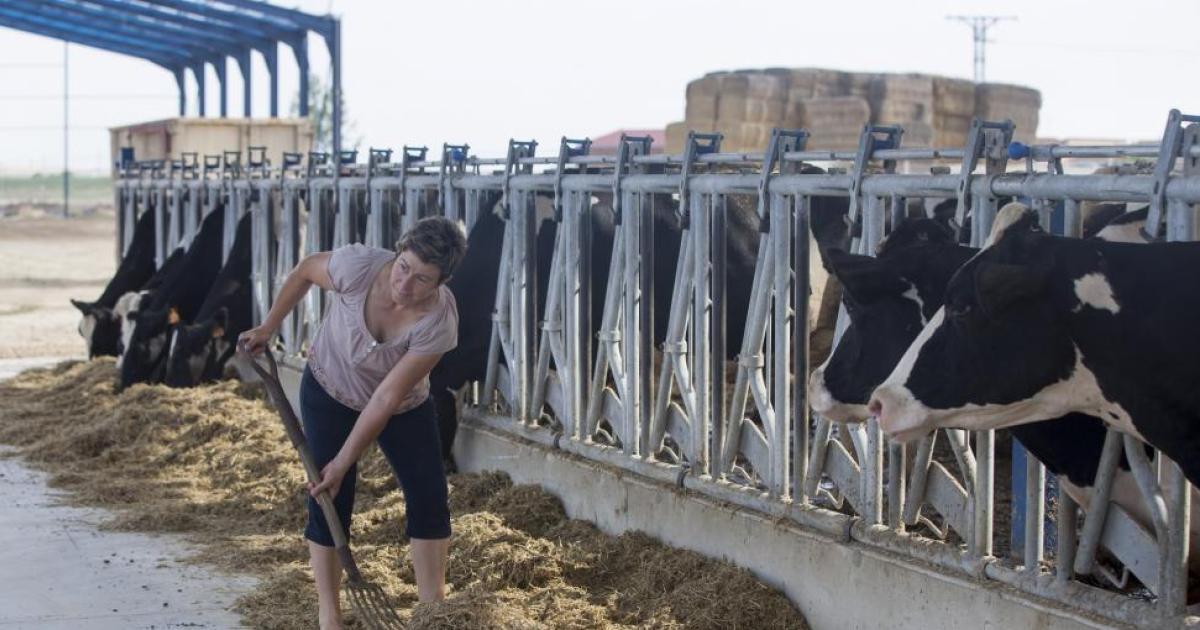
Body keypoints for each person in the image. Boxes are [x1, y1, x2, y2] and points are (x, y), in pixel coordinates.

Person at [239, 217, 467, 630]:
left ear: (442, 282)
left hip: (401, 407)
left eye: (422, 279)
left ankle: (432, 609)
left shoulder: (439, 321)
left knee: (429, 496)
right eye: (403, 266)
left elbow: (386, 397)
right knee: (328, 498)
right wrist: (268, 326)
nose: (404, 285)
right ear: (398, 251)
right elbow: (308, 268)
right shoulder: (357, 266)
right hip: (328, 388)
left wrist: (346, 461)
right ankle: (330, 614)